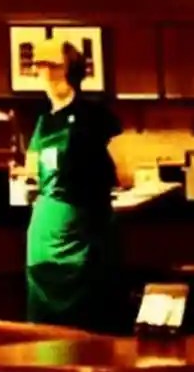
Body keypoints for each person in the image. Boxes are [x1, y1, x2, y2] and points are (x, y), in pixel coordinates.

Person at [21, 38, 125, 330]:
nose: (46, 73)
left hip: (82, 231)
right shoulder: (43, 121)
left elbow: (125, 170)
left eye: (54, 66)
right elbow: (31, 169)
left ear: (71, 71)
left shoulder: (96, 115)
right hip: (44, 231)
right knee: (43, 323)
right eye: (41, 66)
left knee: (84, 316)